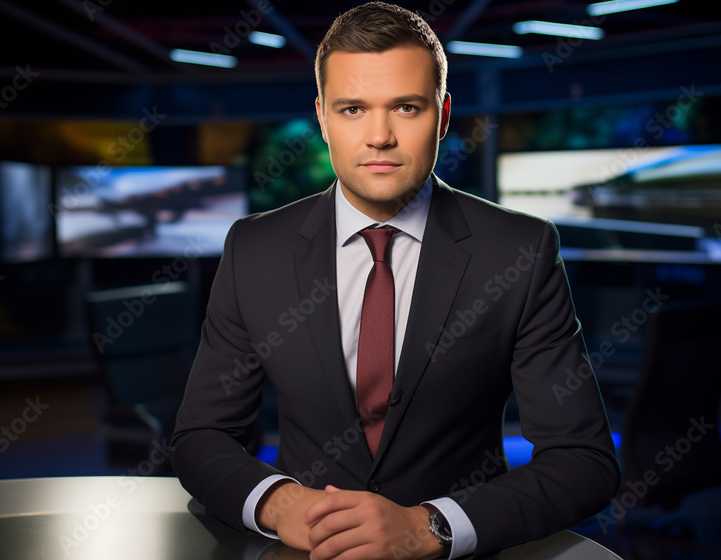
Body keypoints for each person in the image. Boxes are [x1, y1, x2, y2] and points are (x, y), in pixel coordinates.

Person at [170, 3, 619, 559]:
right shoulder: (254, 249)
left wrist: (430, 527)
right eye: (353, 108)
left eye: (406, 107)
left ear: (444, 114)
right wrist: (281, 504)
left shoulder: (520, 250)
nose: (379, 136)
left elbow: (585, 461)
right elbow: (200, 437)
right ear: (323, 117)